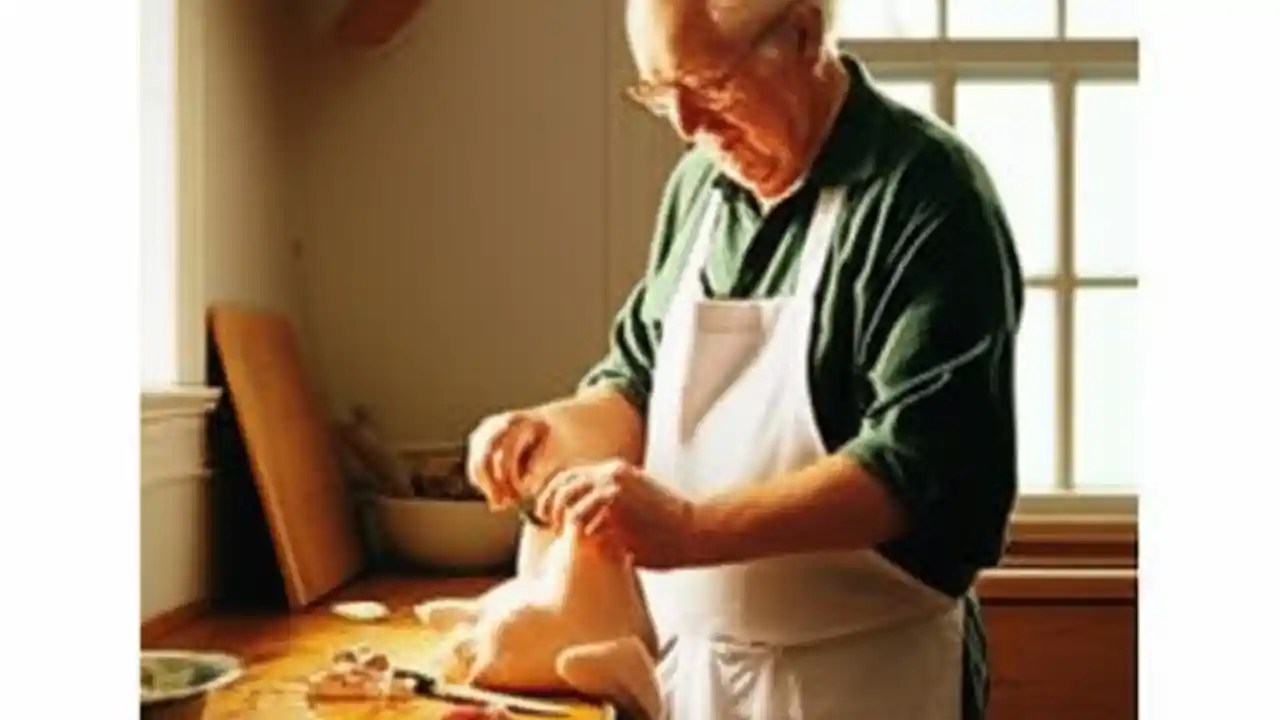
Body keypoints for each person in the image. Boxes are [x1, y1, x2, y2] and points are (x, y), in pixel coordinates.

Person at [465, 0, 1023, 717]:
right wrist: (547, 434)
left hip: (868, 679)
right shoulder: (700, 186)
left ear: (802, 35)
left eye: (709, 84)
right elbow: (637, 378)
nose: (688, 125)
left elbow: (923, 468)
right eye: (661, 93)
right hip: (700, 675)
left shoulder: (927, 194)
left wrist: (693, 530)